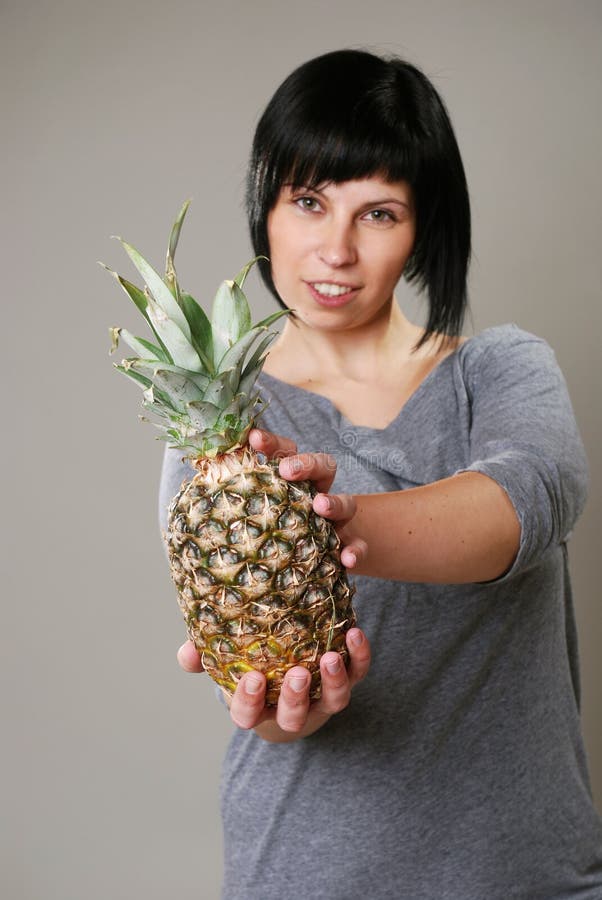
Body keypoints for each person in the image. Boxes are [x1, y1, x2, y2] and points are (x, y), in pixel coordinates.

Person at [160, 49, 602, 899]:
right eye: (310, 201)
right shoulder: (224, 437)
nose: (335, 250)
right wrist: (289, 709)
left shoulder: (503, 370)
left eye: (379, 213)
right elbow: (272, 710)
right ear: (269, 202)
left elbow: (537, 491)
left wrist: (323, 526)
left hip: (530, 878)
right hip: (302, 875)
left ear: (422, 224)